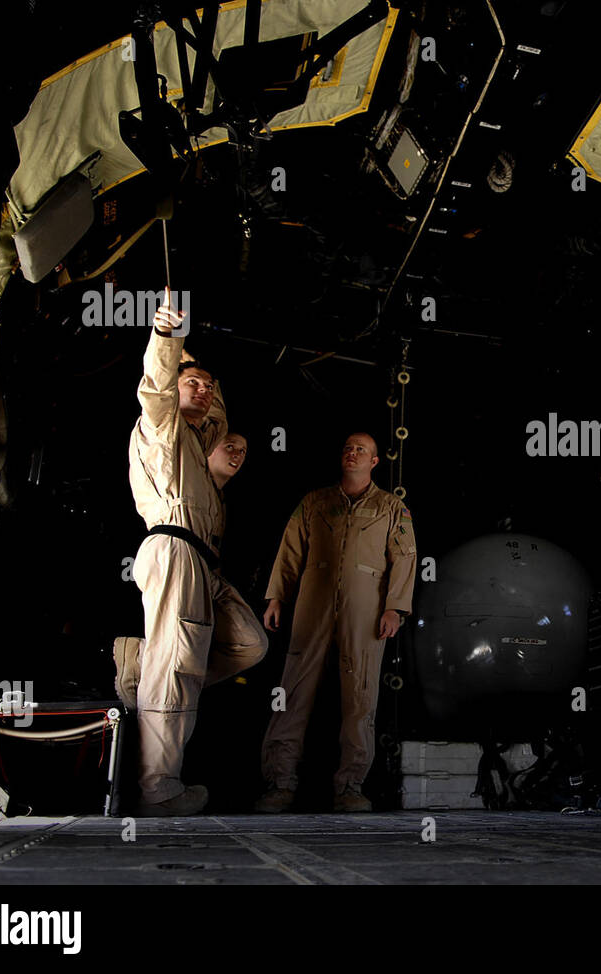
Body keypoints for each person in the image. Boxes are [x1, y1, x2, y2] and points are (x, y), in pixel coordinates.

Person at [115, 294, 267, 817]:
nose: (202, 391)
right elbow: (157, 387)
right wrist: (169, 339)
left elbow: (217, 419)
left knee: (248, 644)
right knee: (178, 665)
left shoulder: (204, 455)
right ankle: (158, 788)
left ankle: (143, 668)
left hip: (203, 562)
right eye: (193, 383)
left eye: (209, 386)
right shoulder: (163, 430)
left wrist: (201, 377)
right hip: (175, 546)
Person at [255, 433, 417, 812]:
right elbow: (290, 548)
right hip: (313, 602)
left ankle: (351, 786)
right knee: (292, 690)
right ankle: (279, 783)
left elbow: (406, 557)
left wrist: (395, 607)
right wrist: (277, 595)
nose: (352, 452)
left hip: (367, 608)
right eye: (347, 446)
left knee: (360, 695)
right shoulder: (315, 501)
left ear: (375, 461)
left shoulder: (393, 507)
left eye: (361, 449)